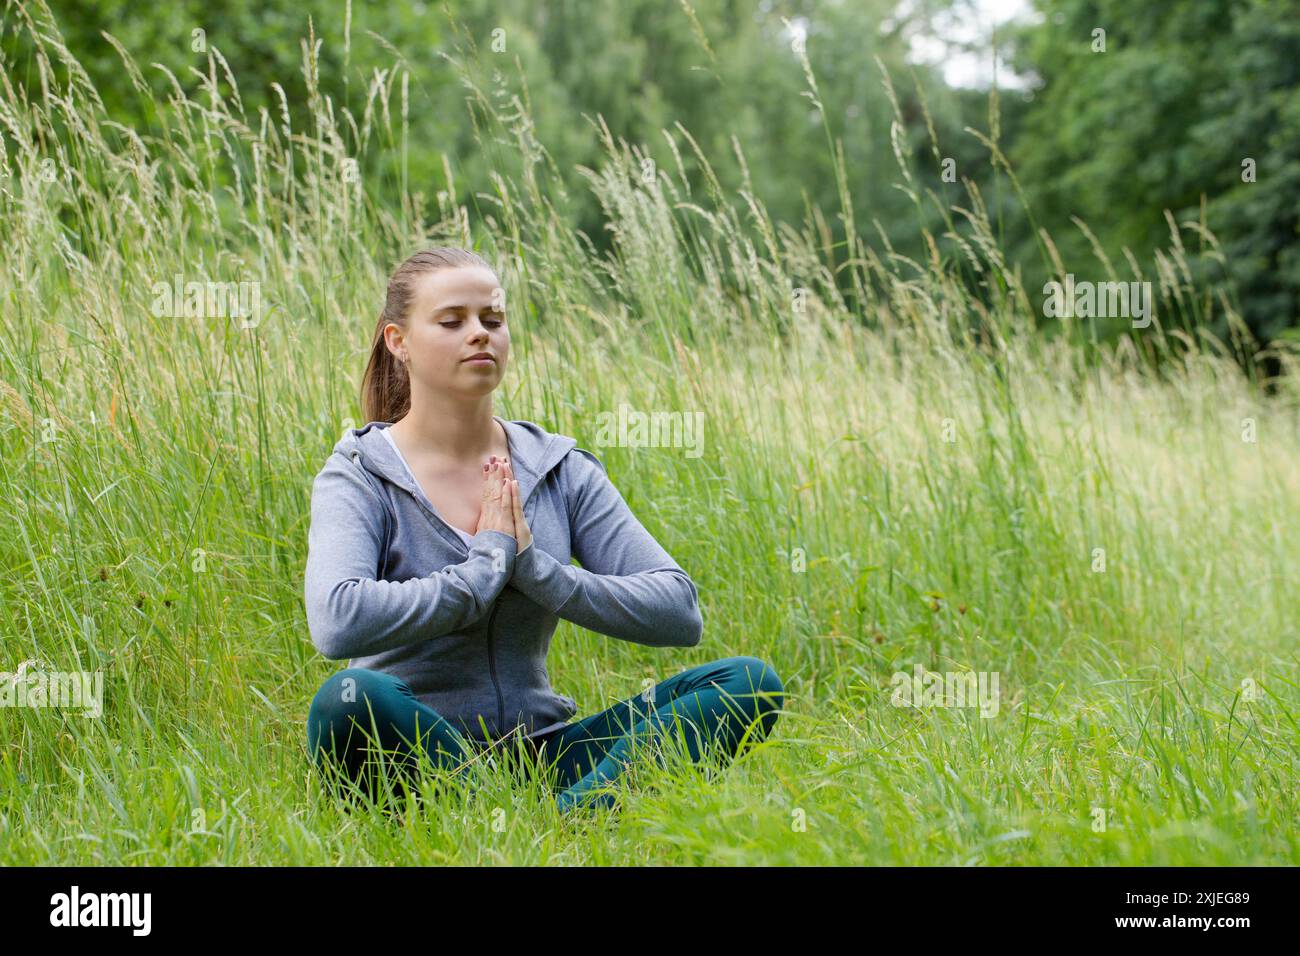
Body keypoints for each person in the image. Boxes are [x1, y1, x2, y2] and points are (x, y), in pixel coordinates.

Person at [303, 246, 784, 814]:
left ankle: (567, 816)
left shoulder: (557, 467)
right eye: (453, 321)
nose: (479, 334)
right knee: (348, 700)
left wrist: (539, 572)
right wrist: (484, 568)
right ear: (398, 341)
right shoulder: (361, 472)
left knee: (749, 682)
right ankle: (512, 819)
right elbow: (336, 621)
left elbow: (679, 610)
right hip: (414, 755)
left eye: (493, 320)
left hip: (544, 753)